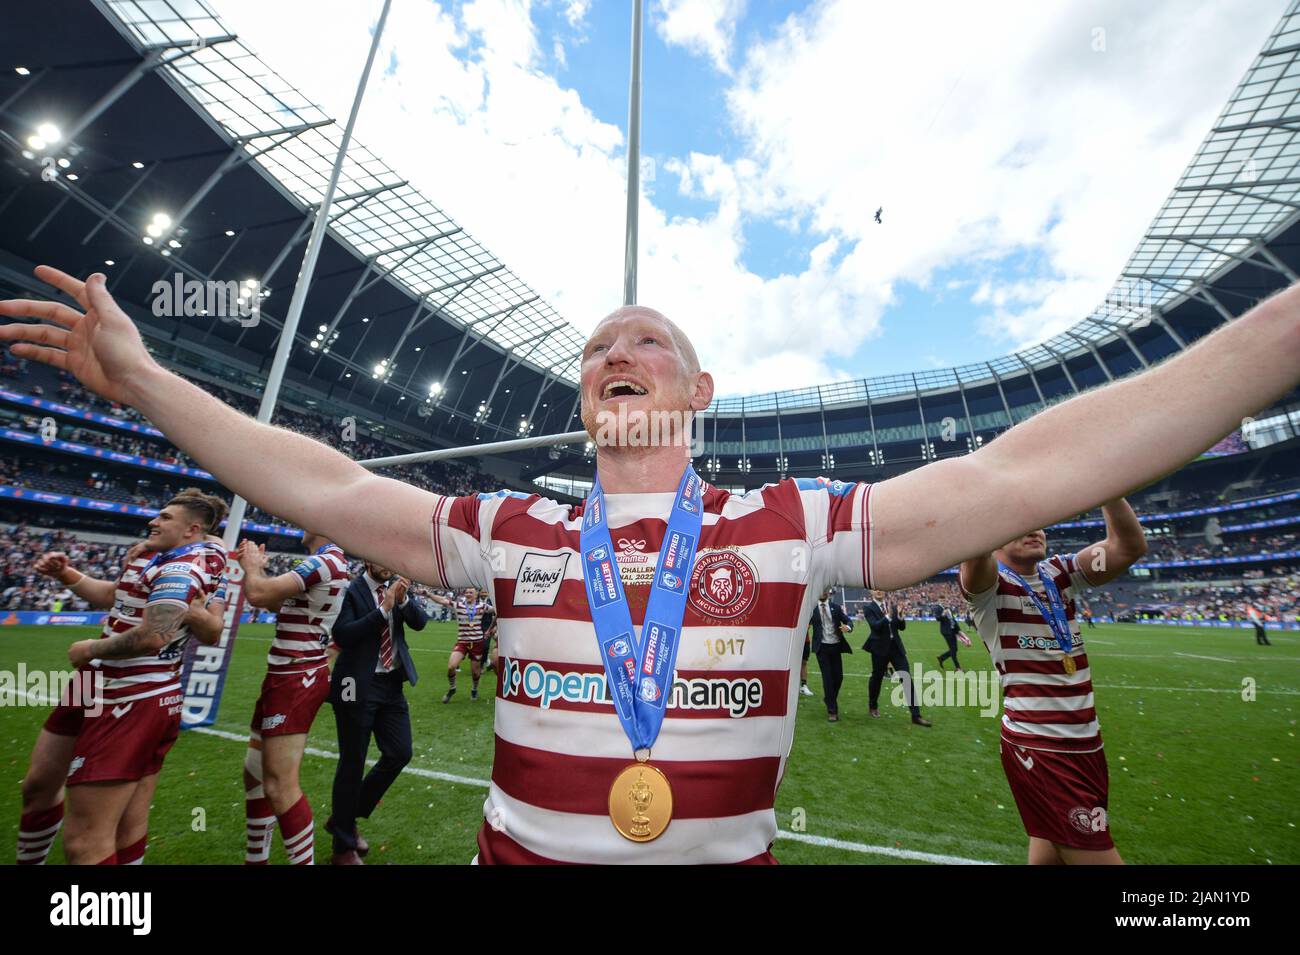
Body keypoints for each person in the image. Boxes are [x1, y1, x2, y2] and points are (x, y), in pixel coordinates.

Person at [2, 268, 1297, 863]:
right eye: (598, 343)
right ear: (589, 397)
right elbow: (329, 486)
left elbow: (1023, 474)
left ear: (699, 391)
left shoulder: (785, 521)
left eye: (647, 337)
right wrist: (148, 374)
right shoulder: (513, 530)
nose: (614, 344)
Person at [17, 533, 223, 865]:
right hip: (92, 680)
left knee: (107, 833)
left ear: (192, 529)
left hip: (137, 691)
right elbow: (114, 595)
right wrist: (66, 574)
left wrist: (91, 648)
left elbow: (204, 631)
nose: (154, 522)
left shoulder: (199, 563)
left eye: (166, 516)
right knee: (38, 787)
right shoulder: (150, 555)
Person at [959, 501, 1146, 865]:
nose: (1036, 530)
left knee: (1049, 854)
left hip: (1087, 744)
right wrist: (985, 503)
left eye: (1039, 523)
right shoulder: (989, 586)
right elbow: (974, 559)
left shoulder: (1060, 572)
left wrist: (1108, 491)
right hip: (1042, 749)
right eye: (1020, 524)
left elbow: (1129, 547)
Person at [237, 532, 350, 865]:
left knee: (279, 785)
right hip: (285, 675)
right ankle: (256, 859)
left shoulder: (324, 560)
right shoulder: (326, 561)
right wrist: (258, 573)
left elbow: (257, 595)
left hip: (294, 678)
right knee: (254, 772)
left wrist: (252, 567)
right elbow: (274, 602)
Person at [326, 561, 427, 865]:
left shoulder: (398, 587)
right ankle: (342, 848)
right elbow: (342, 635)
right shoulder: (352, 589)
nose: (387, 566)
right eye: (380, 560)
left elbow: (420, 622)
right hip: (355, 683)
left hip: (391, 685)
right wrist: (382, 610)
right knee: (352, 761)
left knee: (400, 752)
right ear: (368, 559)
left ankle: (344, 816)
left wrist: (404, 600)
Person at [863, 593, 931, 726]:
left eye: (881, 589)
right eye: (876, 589)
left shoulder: (892, 607)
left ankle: (915, 716)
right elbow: (875, 626)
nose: (879, 591)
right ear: (871, 592)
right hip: (879, 649)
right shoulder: (868, 608)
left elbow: (901, 627)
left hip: (896, 648)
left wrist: (900, 617)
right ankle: (873, 706)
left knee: (906, 677)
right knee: (876, 678)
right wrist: (888, 616)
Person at [430, 586, 489, 702]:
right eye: (467, 592)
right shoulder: (459, 605)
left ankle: (474, 690)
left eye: (471, 592)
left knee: (475, 673)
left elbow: (497, 611)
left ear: (476, 595)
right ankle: (452, 688)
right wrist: (428, 595)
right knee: (451, 666)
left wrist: (491, 628)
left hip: (477, 642)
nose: (468, 594)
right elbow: (443, 600)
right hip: (462, 642)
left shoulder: (483, 606)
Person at [808, 588, 854, 721]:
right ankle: (832, 711)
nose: (822, 592)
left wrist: (848, 627)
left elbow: (848, 621)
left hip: (836, 647)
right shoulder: (811, 609)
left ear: (828, 593)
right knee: (827, 679)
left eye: (825, 590)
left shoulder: (836, 608)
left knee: (838, 678)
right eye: (820, 590)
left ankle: (829, 698)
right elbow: (803, 622)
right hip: (821, 648)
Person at [936, 603, 964, 671]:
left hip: (953, 631)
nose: (945, 601)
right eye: (943, 600)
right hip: (947, 632)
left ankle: (941, 658)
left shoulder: (949, 609)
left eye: (945, 600)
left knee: (954, 649)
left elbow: (953, 620)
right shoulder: (938, 609)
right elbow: (938, 618)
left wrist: (959, 630)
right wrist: (943, 614)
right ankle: (958, 667)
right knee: (953, 649)